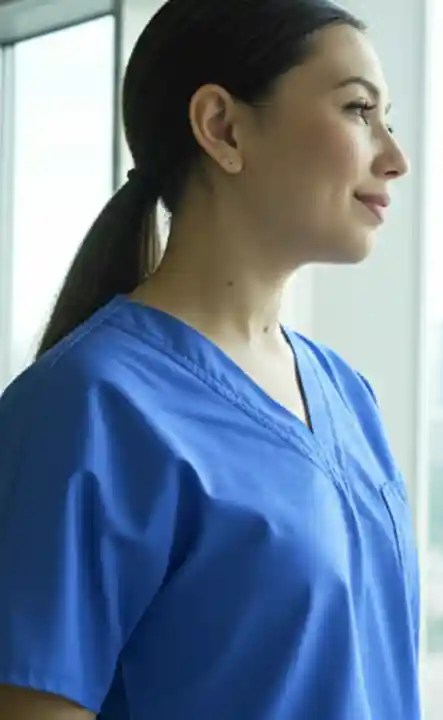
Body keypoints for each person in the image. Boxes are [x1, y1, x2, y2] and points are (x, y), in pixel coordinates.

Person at [0, 0, 418, 718]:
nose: (393, 157)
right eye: (357, 110)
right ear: (222, 127)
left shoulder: (347, 394)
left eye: (388, 119)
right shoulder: (85, 409)